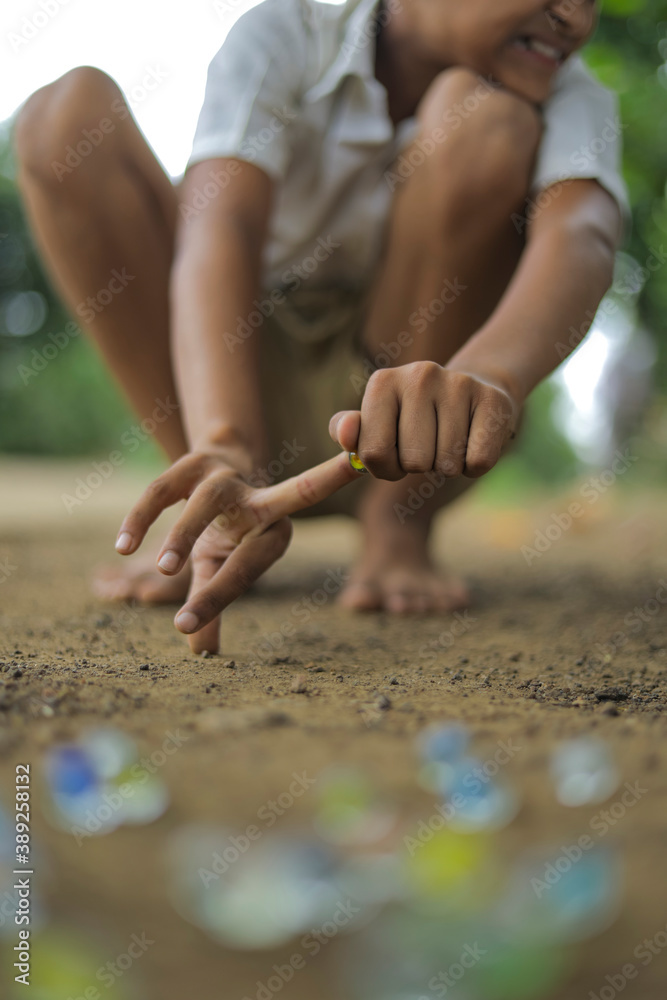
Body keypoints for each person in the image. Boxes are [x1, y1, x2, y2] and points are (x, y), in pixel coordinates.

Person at [14, 0, 628, 654]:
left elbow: (581, 235)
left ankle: (398, 522)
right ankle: (215, 503)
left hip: (408, 412)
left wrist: (490, 372)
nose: (574, 17)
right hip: (236, 378)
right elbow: (220, 225)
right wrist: (224, 441)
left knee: (485, 117)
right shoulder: (286, 33)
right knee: (65, 114)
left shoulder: (568, 92)